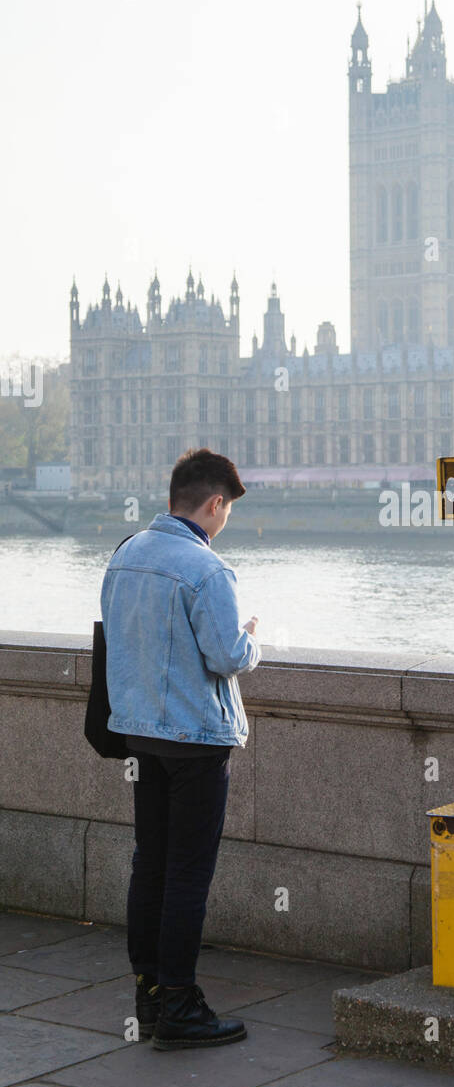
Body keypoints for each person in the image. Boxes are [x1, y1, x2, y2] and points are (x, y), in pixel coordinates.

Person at [100, 448, 261, 1050]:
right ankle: (180, 1007)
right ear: (215, 503)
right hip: (195, 741)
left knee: (151, 863)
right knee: (189, 874)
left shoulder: (126, 555)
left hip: (139, 733)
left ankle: (147, 996)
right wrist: (250, 642)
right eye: (227, 511)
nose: (224, 522)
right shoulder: (207, 570)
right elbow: (224, 657)